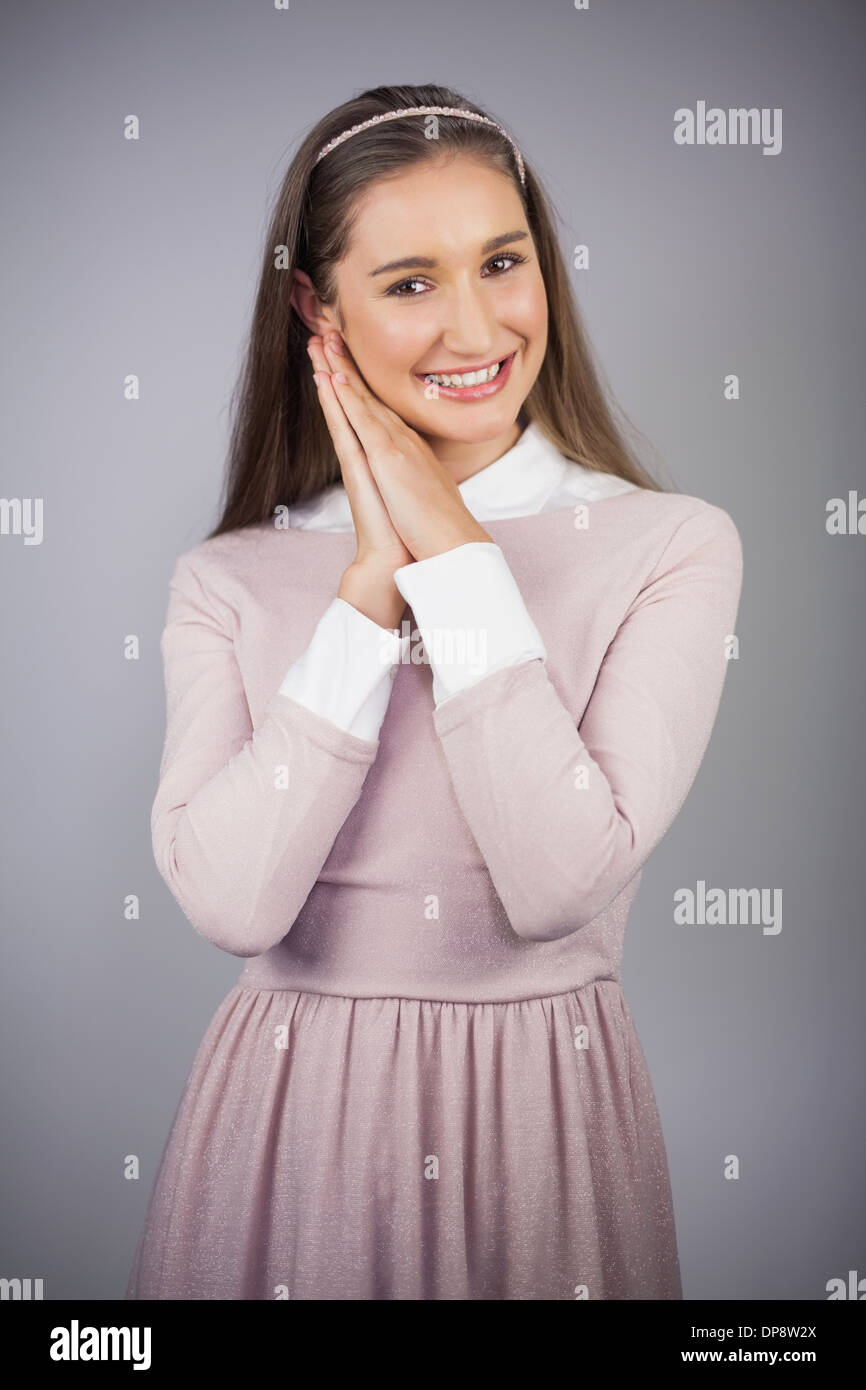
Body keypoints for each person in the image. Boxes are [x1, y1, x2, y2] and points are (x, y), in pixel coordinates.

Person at [125, 83, 743, 1300]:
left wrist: (456, 559)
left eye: (501, 263)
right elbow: (235, 902)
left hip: (542, 1121)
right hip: (291, 1124)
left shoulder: (668, 544)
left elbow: (558, 878)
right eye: (409, 283)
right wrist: (368, 589)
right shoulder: (227, 579)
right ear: (317, 306)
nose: (476, 327)